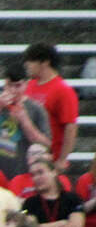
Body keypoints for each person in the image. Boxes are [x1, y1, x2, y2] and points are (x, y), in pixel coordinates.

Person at [0, 60, 51, 179]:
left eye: (18, 86)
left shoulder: (36, 109)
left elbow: (46, 145)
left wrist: (24, 120)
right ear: (4, 83)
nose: (12, 90)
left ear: (26, 84)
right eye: (9, 85)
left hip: (24, 174)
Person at [24, 43, 80, 172]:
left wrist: (62, 159)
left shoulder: (63, 90)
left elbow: (70, 127)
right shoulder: (29, 85)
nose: (27, 65)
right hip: (28, 156)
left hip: (50, 159)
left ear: (45, 62)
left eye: (31, 61)